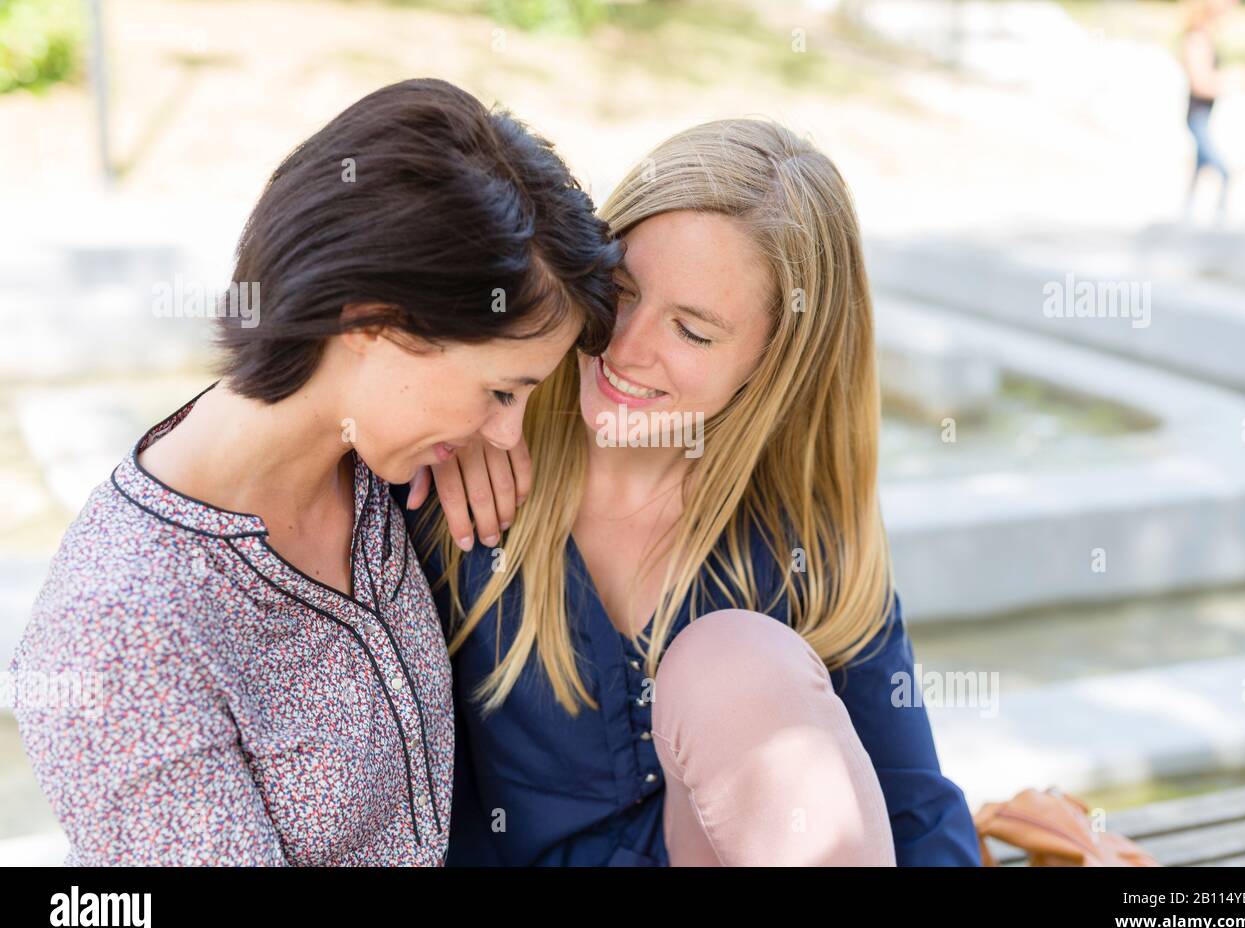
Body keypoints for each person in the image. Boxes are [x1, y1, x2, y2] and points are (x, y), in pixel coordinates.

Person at [8, 77, 620, 865]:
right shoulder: (119, 637)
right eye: (501, 392)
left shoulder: (380, 464)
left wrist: (454, 415)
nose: (506, 433)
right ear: (373, 322)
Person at [401, 119, 981, 866]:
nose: (628, 346)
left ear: (774, 361)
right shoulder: (458, 479)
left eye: (693, 332)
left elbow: (914, 808)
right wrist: (452, 411)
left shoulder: (801, 543)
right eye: (621, 291)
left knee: (738, 664)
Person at [1182, 0, 1238, 223]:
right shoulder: (1196, 39)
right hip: (1197, 115)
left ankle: (1186, 212)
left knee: (1200, 167)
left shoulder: (1205, 38)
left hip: (1205, 114)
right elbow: (1200, 83)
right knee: (1223, 170)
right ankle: (1219, 217)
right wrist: (1233, 81)